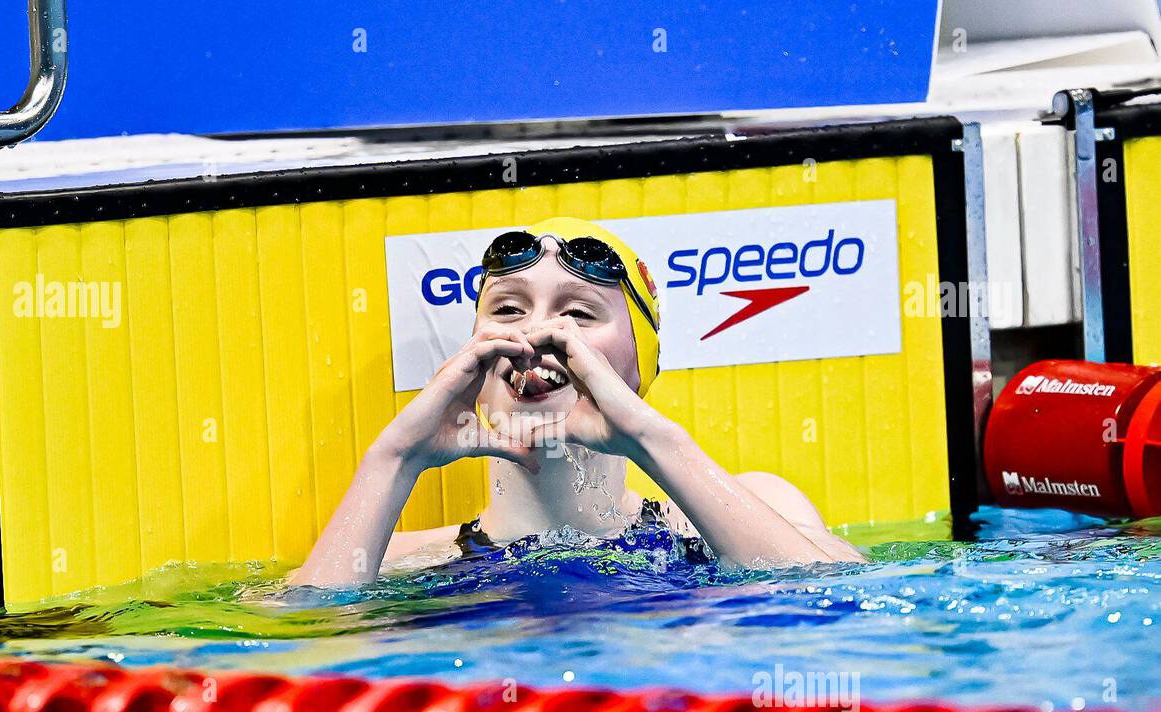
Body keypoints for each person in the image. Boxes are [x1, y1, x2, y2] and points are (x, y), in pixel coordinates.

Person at [290, 217, 864, 588]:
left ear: (639, 370)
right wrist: (396, 458)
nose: (537, 333)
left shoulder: (752, 510)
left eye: (578, 313)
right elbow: (300, 634)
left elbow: (835, 604)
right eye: (508, 311)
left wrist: (653, 440)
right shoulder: (397, 562)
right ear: (477, 372)